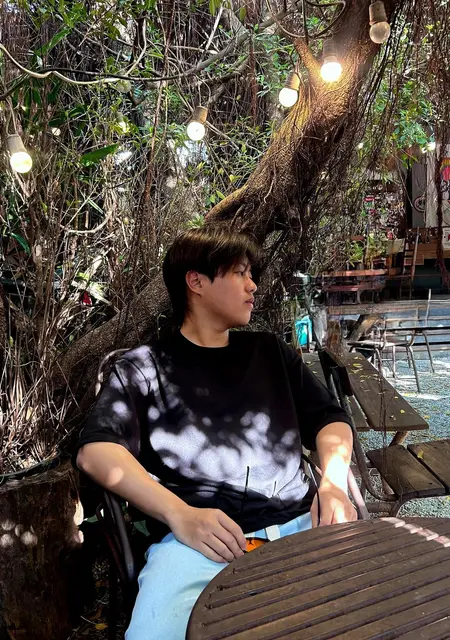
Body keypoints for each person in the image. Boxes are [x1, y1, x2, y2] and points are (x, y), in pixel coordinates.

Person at [75, 227, 356, 640]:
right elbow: (97, 451)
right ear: (196, 281)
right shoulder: (143, 367)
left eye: (251, 274)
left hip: (302, 525)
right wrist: (180, 515)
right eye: (240, 273)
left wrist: (332, 485)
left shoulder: (269, 352)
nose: (252, 285)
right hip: (194, 544)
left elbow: (330, 419)